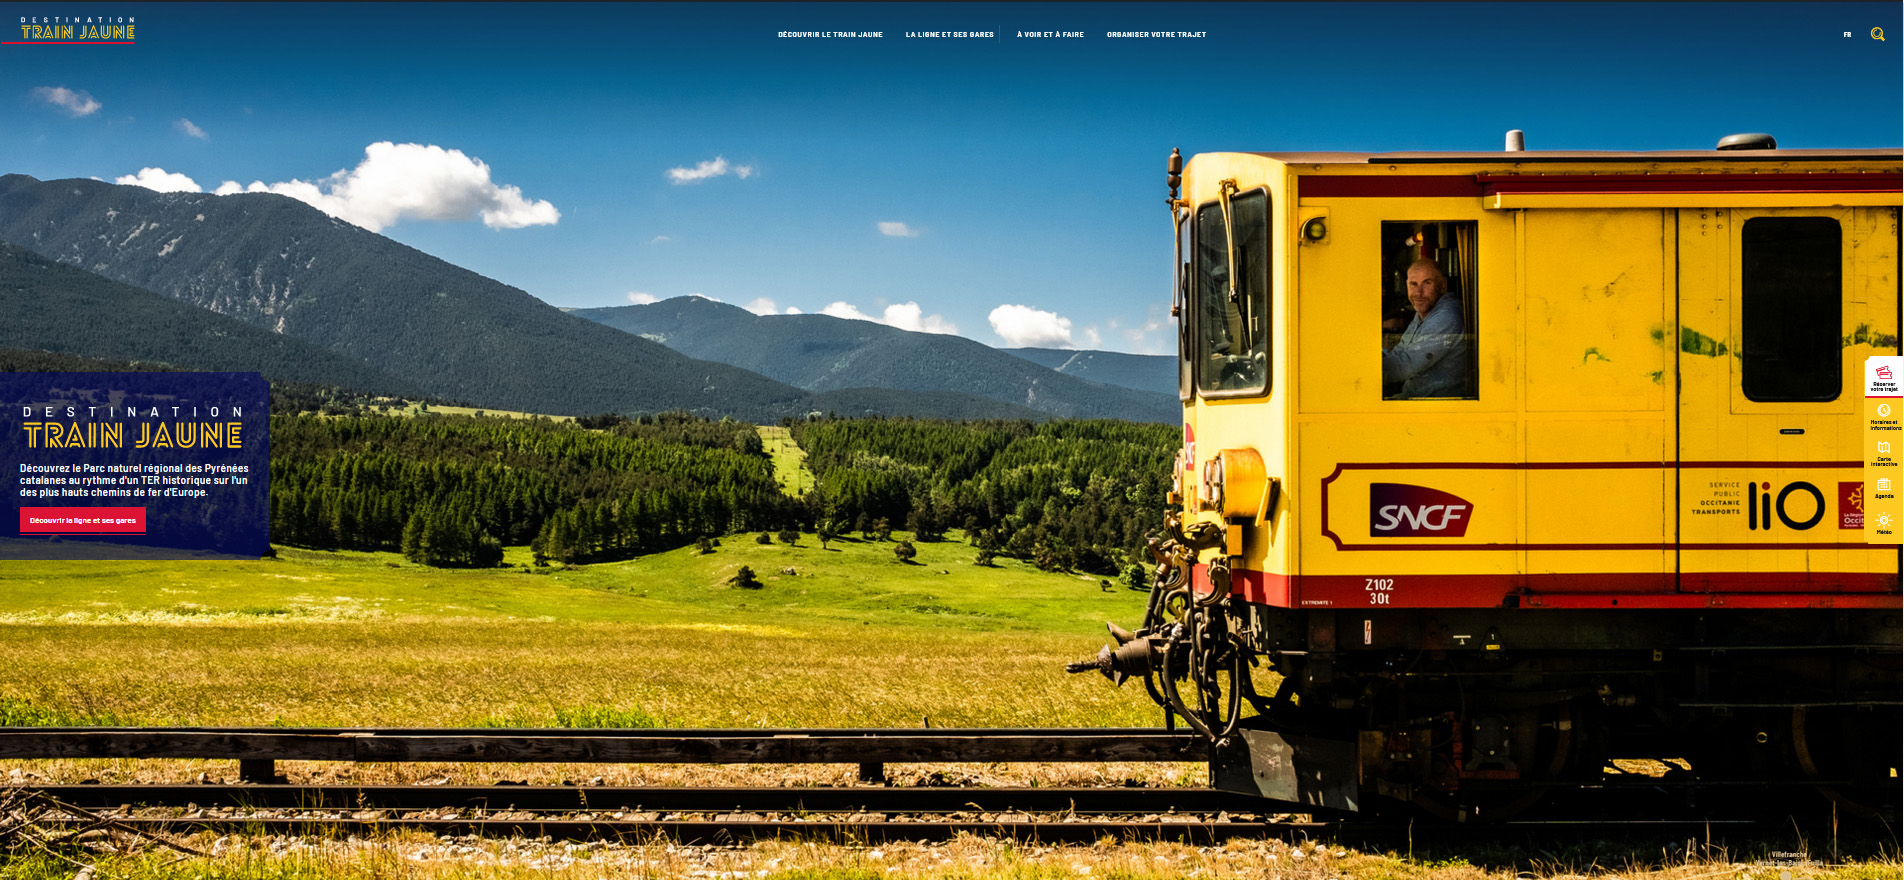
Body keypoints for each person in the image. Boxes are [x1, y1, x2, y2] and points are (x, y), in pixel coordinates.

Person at [1382, 259, 1474, 398]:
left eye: (1427, 283)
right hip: (1416, 399)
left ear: (1442, 286)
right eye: (1413, 284)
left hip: (1438, 407)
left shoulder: (1447, 315)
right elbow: (1400, 352)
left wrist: (1362, 373)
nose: (1418, 293)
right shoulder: (1423, 312)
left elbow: (1407, 364)